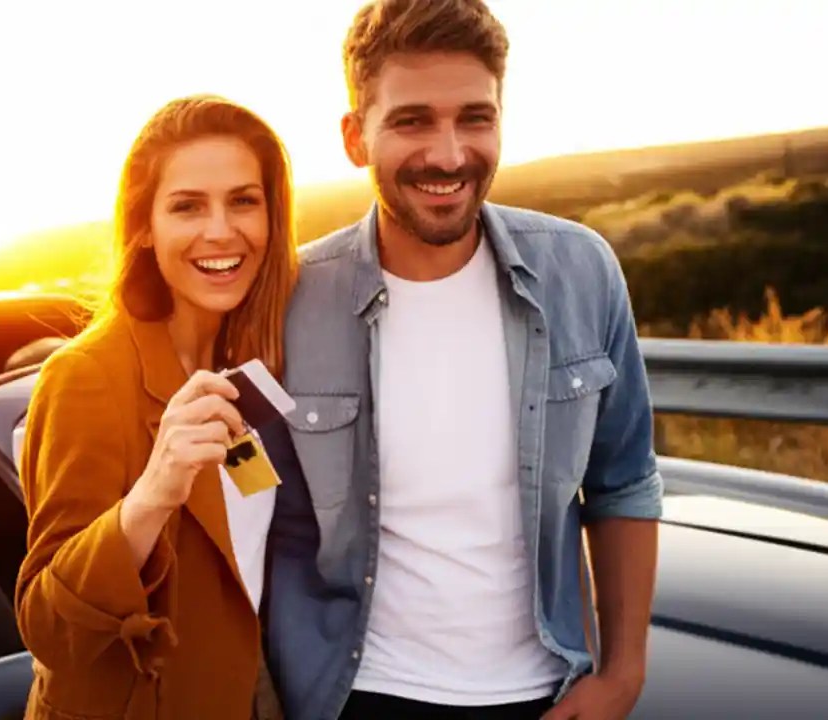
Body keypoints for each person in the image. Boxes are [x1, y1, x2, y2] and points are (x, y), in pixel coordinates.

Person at [264, 2, 663, 719]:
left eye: (474, 118)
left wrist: (624, 675)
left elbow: (624, 482)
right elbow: (266, 521)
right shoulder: (292, 300)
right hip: (354, 696)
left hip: (545, 694)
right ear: (357, 137)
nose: (448, 155)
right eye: (412, 120)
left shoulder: (581, 271)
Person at [14, 94, 298, 719]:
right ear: (143, 226)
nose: (221, 231)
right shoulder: (85, 377)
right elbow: (47, 627)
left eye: (244, 201)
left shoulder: (244, 358)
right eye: (187, 206)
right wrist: (153, 493)